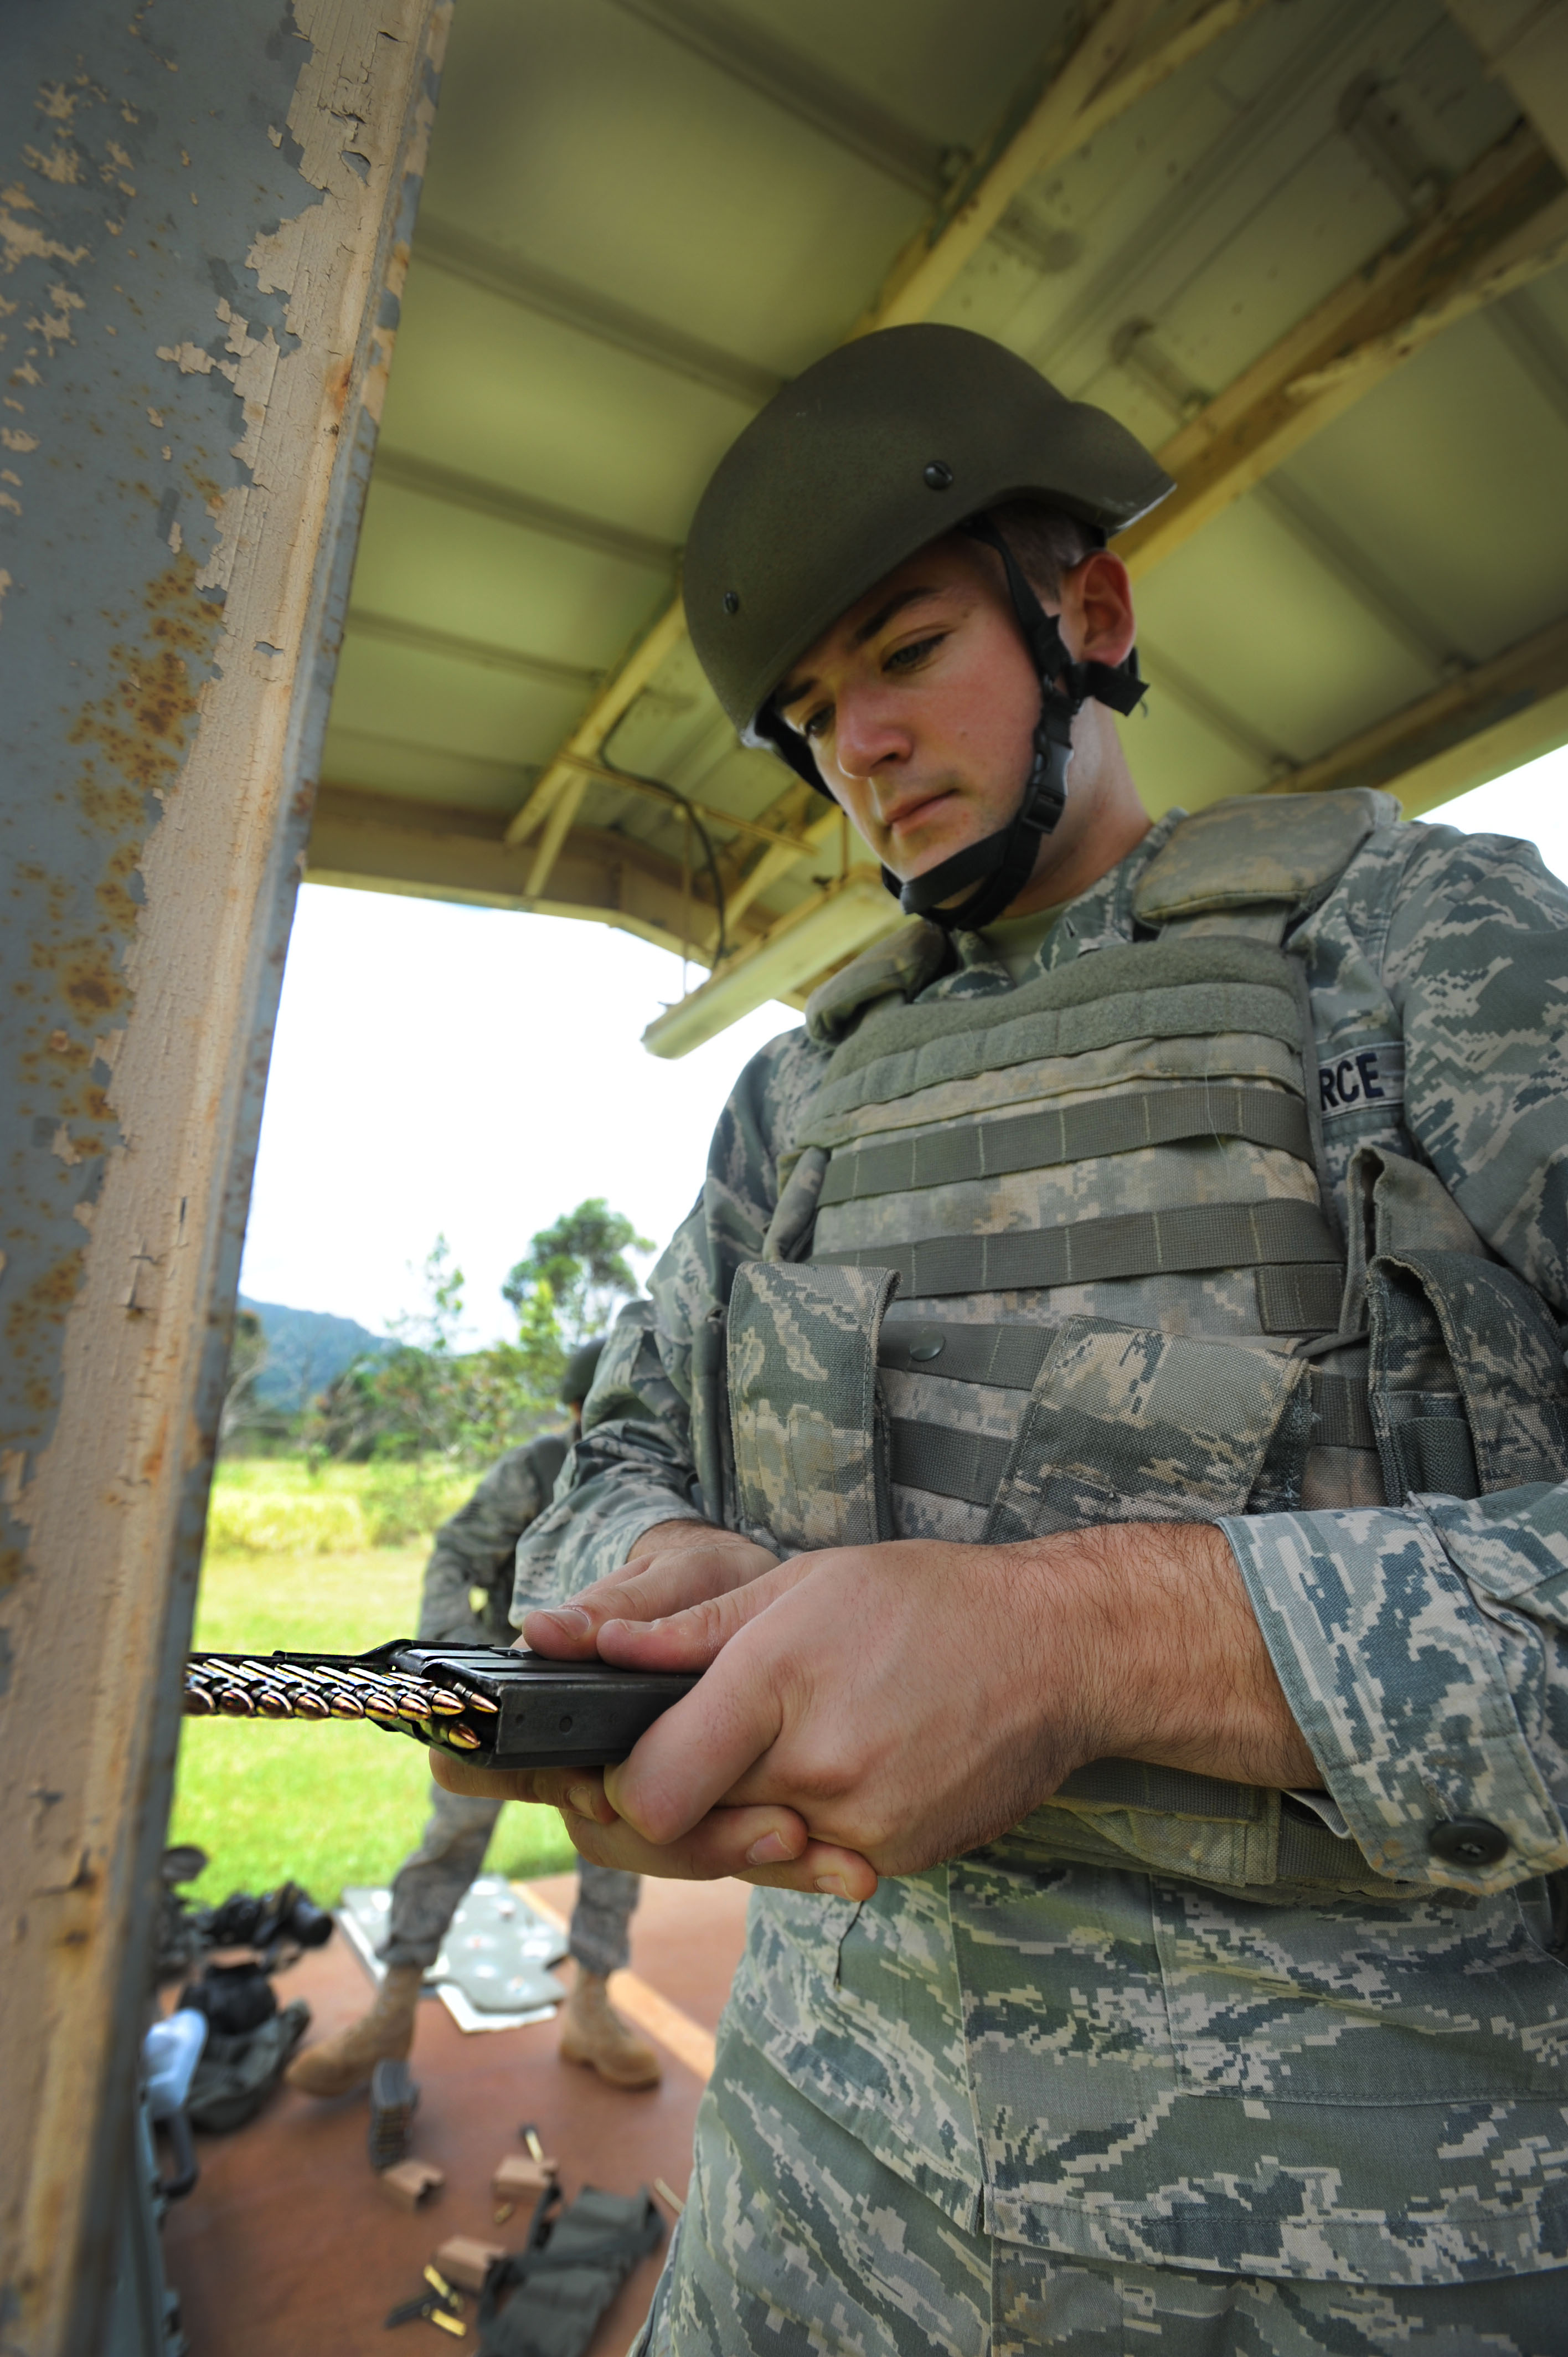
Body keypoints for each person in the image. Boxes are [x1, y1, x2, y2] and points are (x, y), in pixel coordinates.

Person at [433, 326, 1568, 2353]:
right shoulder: (798, 1099)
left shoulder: (1419, 951)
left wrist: (1089, 1635)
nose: (855, 741)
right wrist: (631, 1598)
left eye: (902, 646)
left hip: (1355, 2259)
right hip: (803, 2213)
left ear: (1091, 616)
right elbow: (617, 1446)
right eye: (805, 710)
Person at [285, 1340, 661, 2098]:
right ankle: (393, 2006)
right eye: (597, 1411)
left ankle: (591, 2006)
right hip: (498, 1698)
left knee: (618, 1843)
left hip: (607, 1696)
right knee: (453, 1833)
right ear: (578, 1410)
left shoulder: (663, 1489)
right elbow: (456, 1554)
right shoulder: (536, 1471)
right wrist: (460, 1663)